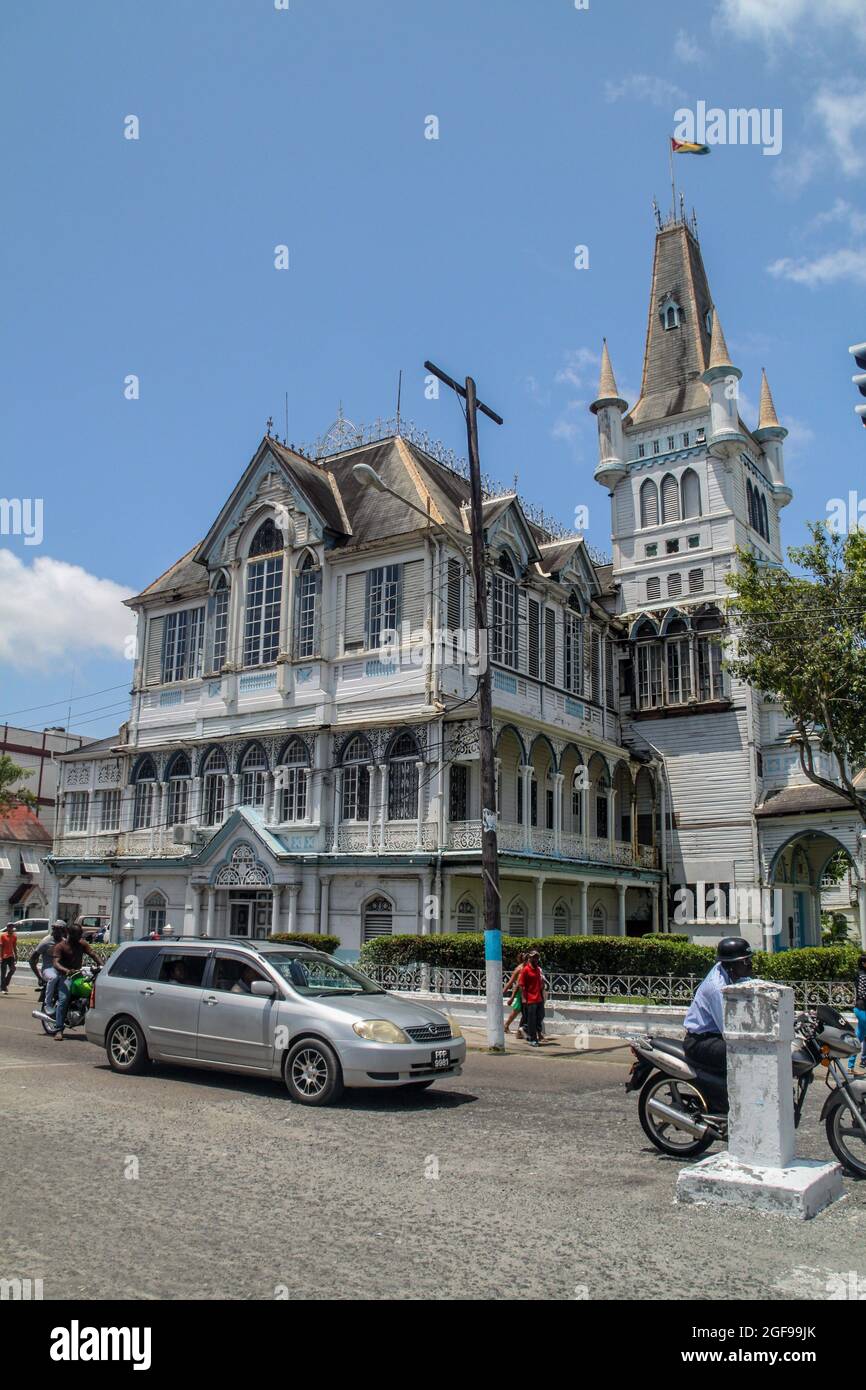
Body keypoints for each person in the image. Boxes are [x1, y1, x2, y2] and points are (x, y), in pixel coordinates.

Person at [682, 936, 753, 1079]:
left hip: (716, 1036)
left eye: (750, 959)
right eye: (745, 961)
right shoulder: (716, 988)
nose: (750, 964)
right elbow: (728, 1028)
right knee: (744, 1054)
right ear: (732, 965)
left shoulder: (734, 975)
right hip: (700, 1041)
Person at [50, 921, 101, 1039]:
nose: (80, 937)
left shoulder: (82, 944)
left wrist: (103, 967)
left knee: (91, 992)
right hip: (65, 976)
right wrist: (66, 970)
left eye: (80, 934)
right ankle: (59, 1029)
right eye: (77, 935)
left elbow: (93, 954)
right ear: (69, 933)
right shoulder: (60, 946)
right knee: (63, 1000)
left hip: (78, 975)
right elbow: (56, 962)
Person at [29, 921, 66, 1016]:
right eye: (55, 929)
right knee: (53, 977)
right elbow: (32, 960)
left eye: (60, 929)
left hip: (62, 970)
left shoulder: (65, 942)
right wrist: (39, 977)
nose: (56, 931)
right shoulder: (46, 941)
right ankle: (47, 1004)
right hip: (49, 969)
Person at [518, 949, 545, 1047]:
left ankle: (526, 1028)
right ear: (529, 958)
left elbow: (539, 983)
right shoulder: (525, 970)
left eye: (537, 957)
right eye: (534, 957)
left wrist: (542, 985)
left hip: (539, 998)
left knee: (541, 1015)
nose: (536, 959)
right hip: (530, 998)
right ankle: (533, 1039)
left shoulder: (538, 969)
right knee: (532, 1020)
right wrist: (524, 998)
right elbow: (521, 985)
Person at [848, 953, 866, 1076]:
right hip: (862, 1008)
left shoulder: (861, 974)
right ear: (864, 963)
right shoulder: (863, 975)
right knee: (859, 1037)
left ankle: (850, 1067)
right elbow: (863, 993)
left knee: (859, 1037)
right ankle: (851, 1065)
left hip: (860, 1008)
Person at [503, 952, 526, 1037]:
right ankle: (507, 1026)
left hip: (527, 992)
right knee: (517, 1009)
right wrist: (504, 991)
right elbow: (511, 982)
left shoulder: (528, 967)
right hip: (520, 992)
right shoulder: (519, 969)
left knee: (519, 1010)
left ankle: (515, 1029)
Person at [1, 923, 18, 993]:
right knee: (3, 973)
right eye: (10, 927)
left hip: (11, 956)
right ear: (7, 928)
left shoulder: (14, 936)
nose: (11, 929)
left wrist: (16, 955)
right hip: (4, 956)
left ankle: (5, 983)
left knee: (13, 970)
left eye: (12, 927)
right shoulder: (3, 936)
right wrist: (0, 957)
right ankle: (3, 988)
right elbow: (1, 947)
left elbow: (14, 947)